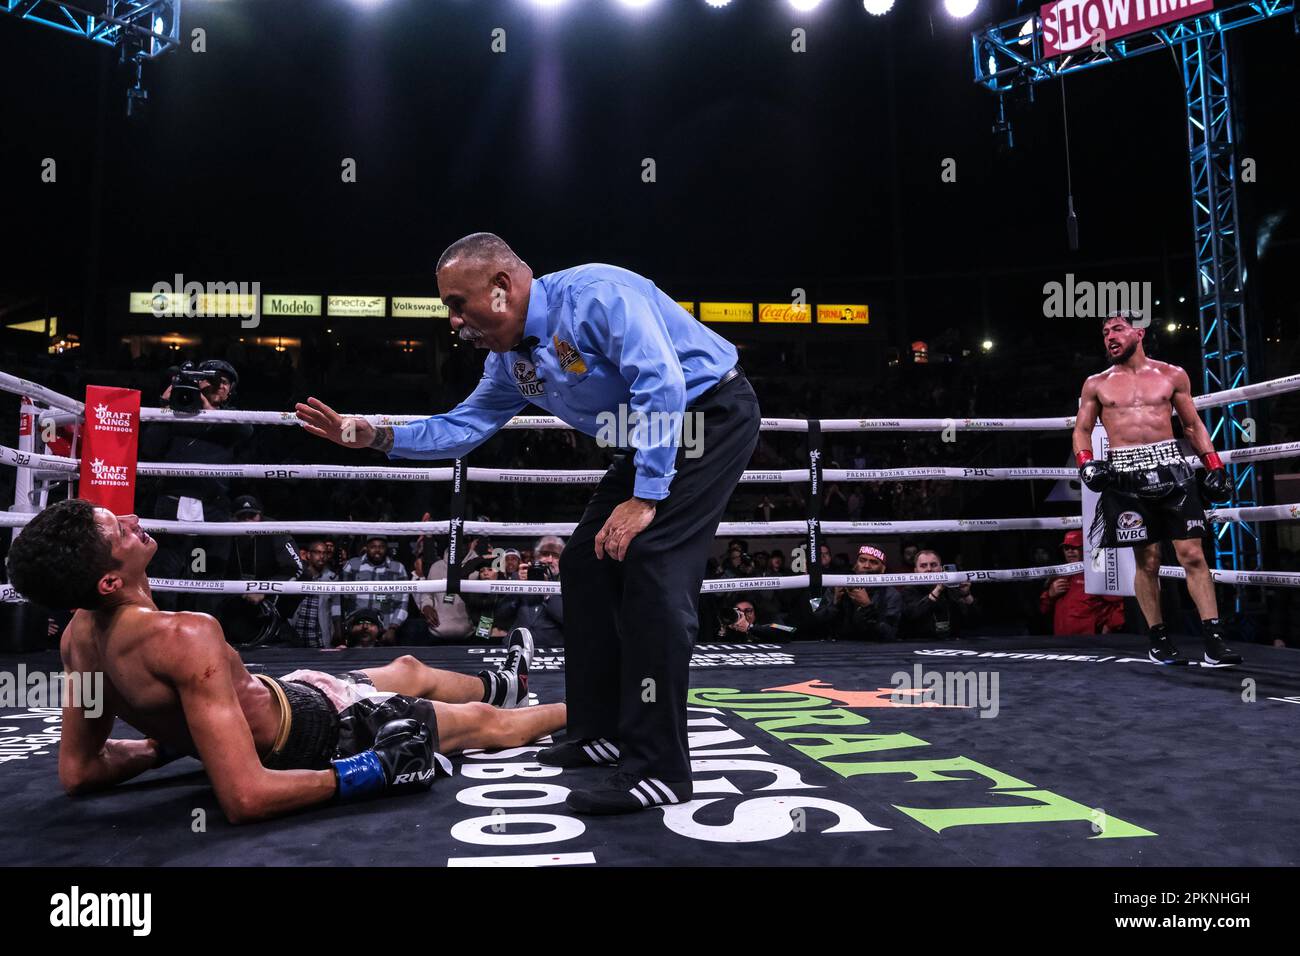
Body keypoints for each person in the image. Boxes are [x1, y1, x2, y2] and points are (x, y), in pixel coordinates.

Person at [297, 232, 760, 814]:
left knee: (653, 568)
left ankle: (659, 768)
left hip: (703, 415)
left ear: (501, 287)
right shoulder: (509, 363)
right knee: (585, 564)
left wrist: (645, 496)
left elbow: (661, 383)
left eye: (458, 303)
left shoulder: (598, 294)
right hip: (646, 433)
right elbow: (462, 427)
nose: (454, 321)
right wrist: (378, 435)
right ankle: (600, 732)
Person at [4, 499, 564, 824]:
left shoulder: (79, 635)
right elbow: (245, 797)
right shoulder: (184, 634)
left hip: (289, 697)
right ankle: (594, 708)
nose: (129, 518)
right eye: (116, 531)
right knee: (489, 729)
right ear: (109, 579)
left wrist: (166, 742)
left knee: (409, 668)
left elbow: (80, 769)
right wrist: (369, 771)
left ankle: (502, 681)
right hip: (317, 736)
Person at [1074, 313, 1240, 666]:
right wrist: (1087, 462)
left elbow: (1192, 424)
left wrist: (1214, 465)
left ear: (1139, 332)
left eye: (1117, 329)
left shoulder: (1172, 374)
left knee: (1192, 555)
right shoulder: (1096, 383)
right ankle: (1158, 640)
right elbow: (1082, 429)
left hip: (1172, 469)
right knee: (1146, 560)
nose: (1109, 337)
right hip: (1125, 475)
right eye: (1105, 333)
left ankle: (1214, 642)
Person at [138, 358, 251, 611]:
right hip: (171, 500)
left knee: (210, 575)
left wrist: (207, 408)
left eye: (226, 383)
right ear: (199, 382)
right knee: (165, 571)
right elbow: (151, 447)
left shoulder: (232, 418)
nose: (220, 386)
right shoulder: (176, 414)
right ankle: (160, 635)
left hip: (214, 504)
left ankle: (204, 636)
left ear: (232, 390)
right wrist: (166, 408)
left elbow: (246, 432)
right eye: (214, 380)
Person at [215, 494, 304, 648]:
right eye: (242, 516)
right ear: (233, 519)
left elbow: (296, 568)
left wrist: (265, 588)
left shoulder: (275, 531)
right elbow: (201, 562)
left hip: (272, 598)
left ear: (260, 516)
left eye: (252, 516)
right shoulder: (222, 532)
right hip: (232, 598)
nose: (248, 522)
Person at [1039, 531, 1125, 636]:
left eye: (1074, 547)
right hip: (1061, 642)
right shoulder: (1058, 574)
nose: (1070, 551)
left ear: (1085, 549)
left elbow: (1122, 604)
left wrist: (1110, 626)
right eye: (1066, 548)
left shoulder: (1097, 573)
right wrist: (1050, 595)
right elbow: (1042, 611)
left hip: (1091, 643)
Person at [812, 544, 902, 642]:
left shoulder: (891, 595)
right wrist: (835, 604)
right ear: (855, 564)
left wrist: (867, 607)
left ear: (883, 569)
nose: (866, 566)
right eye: (862, 560)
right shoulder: (838, 586)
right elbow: (817, 624)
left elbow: (889, 635)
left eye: (873, 562)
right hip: (839, 647)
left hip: (873, 648)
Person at [340, 534, 409, 645]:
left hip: (385, 630)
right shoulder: (352, 565)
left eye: (381, 547)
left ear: (386, 548)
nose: (377, 550)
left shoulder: (398, 568)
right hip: (356, 628)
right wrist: (346, 625)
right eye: (373, 546)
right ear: (366, 547)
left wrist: (393, 628)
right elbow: (342, 600)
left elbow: (402, 603)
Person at [898, 549, 980, 640]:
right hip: (920, 644)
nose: (929, 569)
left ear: (941, 569)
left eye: (933, 565)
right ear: (916, 571)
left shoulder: (952, 590)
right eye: (923, 566)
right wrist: (937, 590)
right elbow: (912, 616)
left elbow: (974, 623)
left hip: (952, 644)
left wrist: (966, 595)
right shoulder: (908, 590)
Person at [287, 537, 342, 649]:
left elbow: (336, 607)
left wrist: (338, 631)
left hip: (318, 633)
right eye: (317, 552)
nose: (321, 556)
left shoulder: (332, 578)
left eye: (325, 553)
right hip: (296, 631)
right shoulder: (297, 575)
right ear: (308, 555)